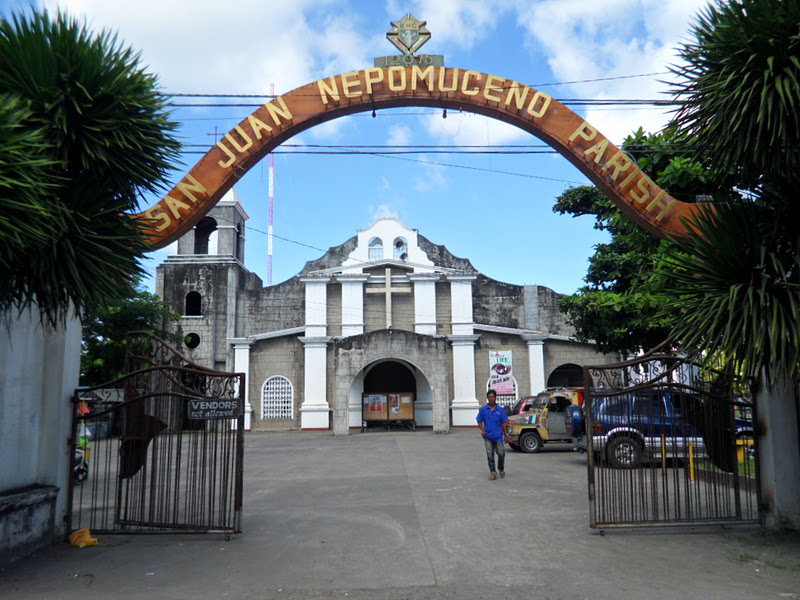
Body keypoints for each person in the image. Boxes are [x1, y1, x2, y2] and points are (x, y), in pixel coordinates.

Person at [476, 389, 510, 480]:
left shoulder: (500, 410)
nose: (491, 399)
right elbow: (479, 421)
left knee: (501, 453)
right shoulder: (484, 410)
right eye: (489, 397)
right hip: (488, 436)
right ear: (487, 398)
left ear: (495, 398)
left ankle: (501, 468)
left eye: (493, 397)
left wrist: (506, 435)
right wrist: (482, 430)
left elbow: (504, 423)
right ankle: (493, 472)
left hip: (498, 436)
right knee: (490, 454)